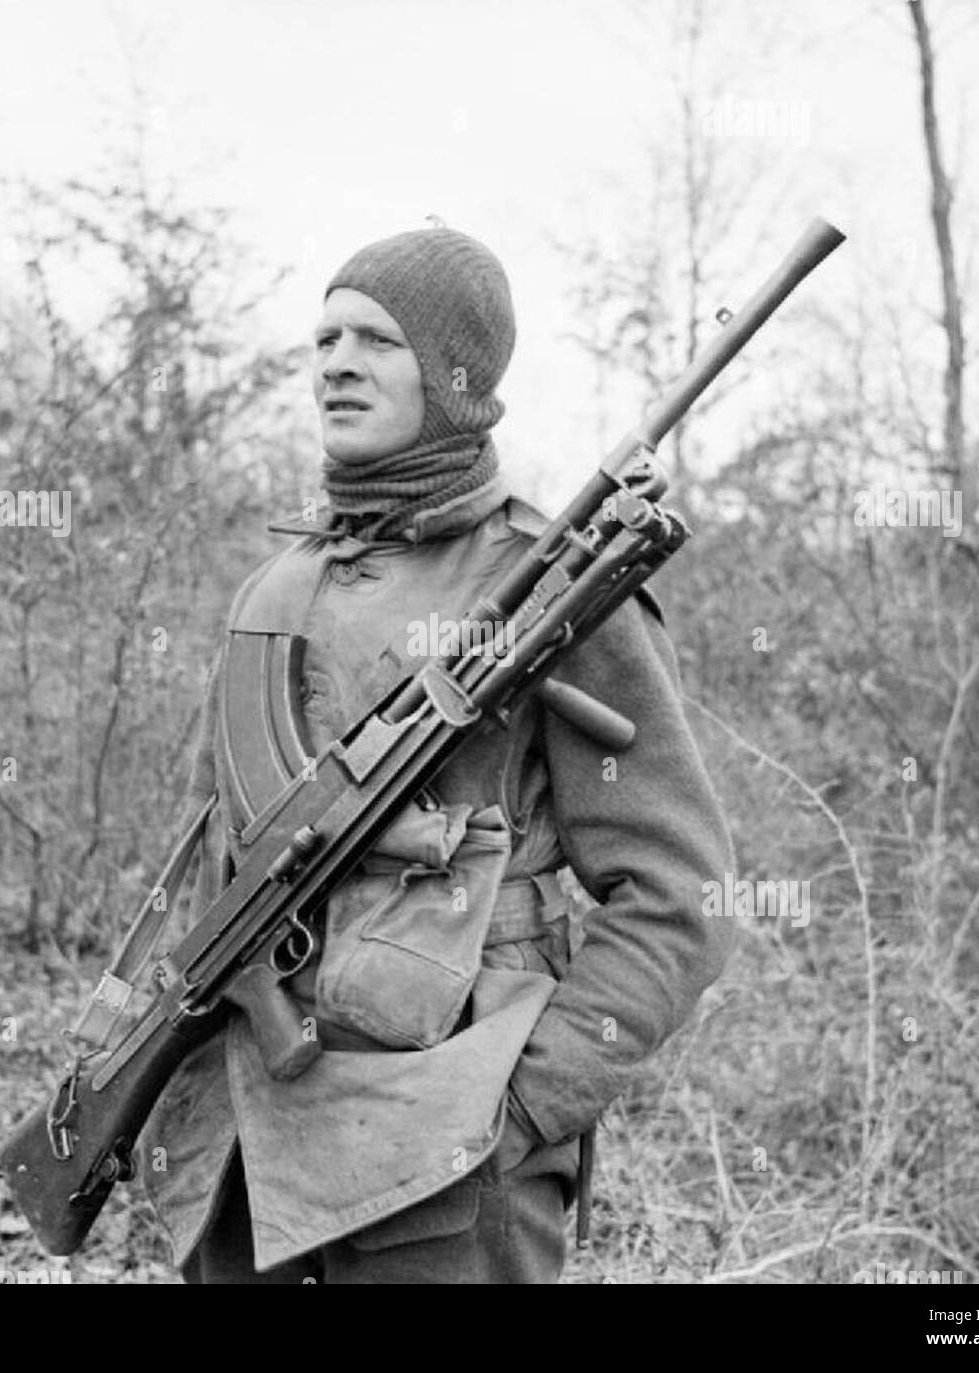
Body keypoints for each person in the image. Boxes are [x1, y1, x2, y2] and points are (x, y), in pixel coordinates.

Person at [135, 225, 735, 1284]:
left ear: (458, 377)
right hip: (242, 1149)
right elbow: (210, 862)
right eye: (323, 336)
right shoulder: (273, 590)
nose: (336, 362)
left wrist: (529, 1094)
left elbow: (679, 894)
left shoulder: (556, 589)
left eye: (376, 338)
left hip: (447, 1156)